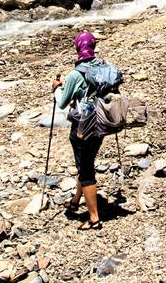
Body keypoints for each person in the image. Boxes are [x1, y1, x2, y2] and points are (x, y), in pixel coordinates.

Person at [52, 31, 122, 229]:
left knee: (86, 169)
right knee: (87, 162)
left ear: (77, 48)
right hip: (101, 122)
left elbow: (63, 103)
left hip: (82, 126)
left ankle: (93, 218)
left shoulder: (75, 74)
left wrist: (57, 88)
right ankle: (75, 201)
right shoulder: (104, 66)